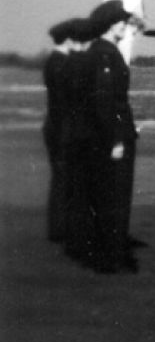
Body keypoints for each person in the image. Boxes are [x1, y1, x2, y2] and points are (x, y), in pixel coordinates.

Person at [79, 0, 141, 273]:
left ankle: (109, 251)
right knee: (113, 197)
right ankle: (110, 256)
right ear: (111, 24)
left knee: (109, 196)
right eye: (123, 22)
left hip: (110, 134)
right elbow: (105, 102)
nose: (126, 27)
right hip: (111, 139)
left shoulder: (101, 51)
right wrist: (116, 139)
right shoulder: (104, 54)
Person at [43, 17, 91, 243]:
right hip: (63, 127)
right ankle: (61, 230)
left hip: (56, 125)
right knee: (64, 181)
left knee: (61, 179)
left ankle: (58, 228)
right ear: (69, 40)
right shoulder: (61, 64)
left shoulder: (54, 61)